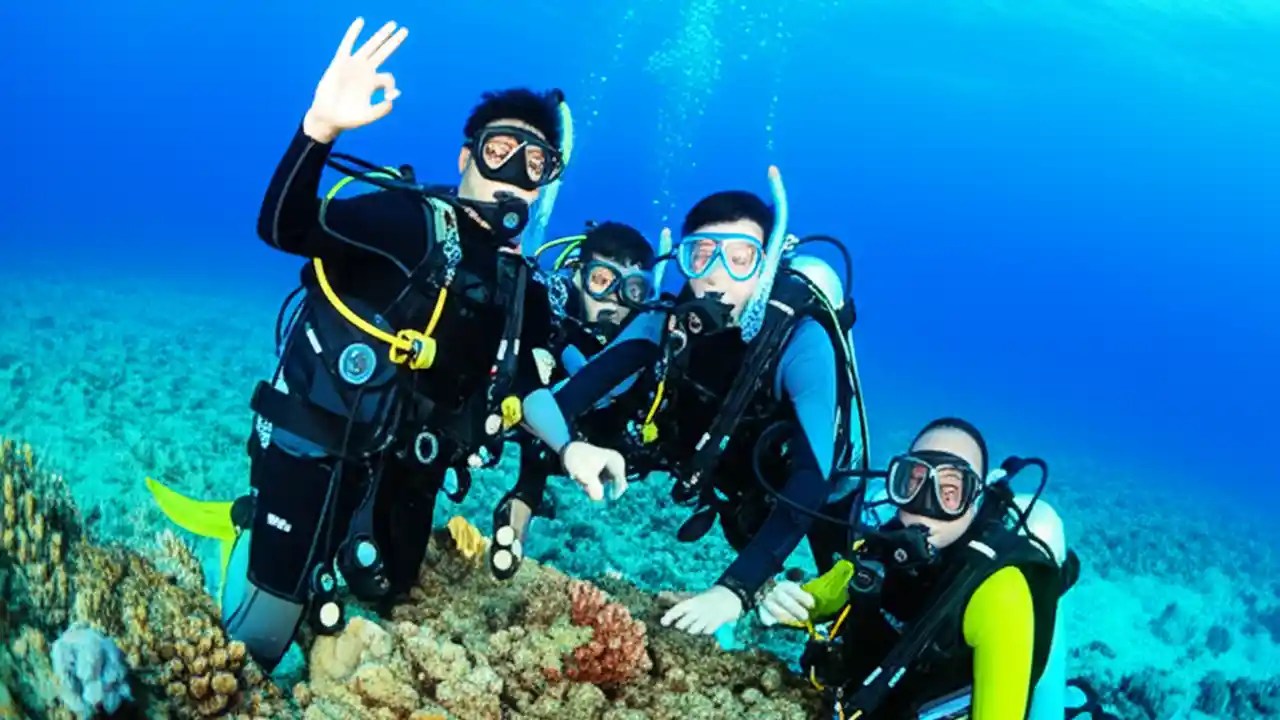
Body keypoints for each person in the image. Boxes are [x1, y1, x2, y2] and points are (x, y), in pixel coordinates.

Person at [146, 17, 575, 670]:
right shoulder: (407, 222)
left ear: (544, 184)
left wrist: (571, 447)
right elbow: (283, 227)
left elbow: (525, 383)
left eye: (535, 163)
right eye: (499, 151)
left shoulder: (524, 290)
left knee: (389, 590)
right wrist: (319, 129)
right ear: (466, 158)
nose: (513, 175)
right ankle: (246, 528)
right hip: (320, 449)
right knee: (257, 646)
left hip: (409, 470)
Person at [518, 168, 870, 636]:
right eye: (701, 255)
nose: (716, 275)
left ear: (766, 267)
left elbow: (813, 477)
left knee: (849, 595)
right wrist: (568, 449)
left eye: (740, 258)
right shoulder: (665, 323)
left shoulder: (801, 339)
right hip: (721, 475)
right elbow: (562, 401)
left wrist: (735, 590)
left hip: (803, 486)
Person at [757, 418, 1087, 720]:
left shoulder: (1000, 593)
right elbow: (813, 601)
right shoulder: (877, 551)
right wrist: (780, 600)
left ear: (974, 502)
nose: (924, 506)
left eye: (949, 491)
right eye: (912, 483)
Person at [489, 220, 661, 579]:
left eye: (632, 289)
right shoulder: (553, 311)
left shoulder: (649, 337)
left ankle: (519, 512)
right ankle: (520, 512)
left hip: (604, 434)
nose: (614, 299)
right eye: (601, 280)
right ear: (578, 275)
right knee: (537, 446)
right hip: (542, 419)